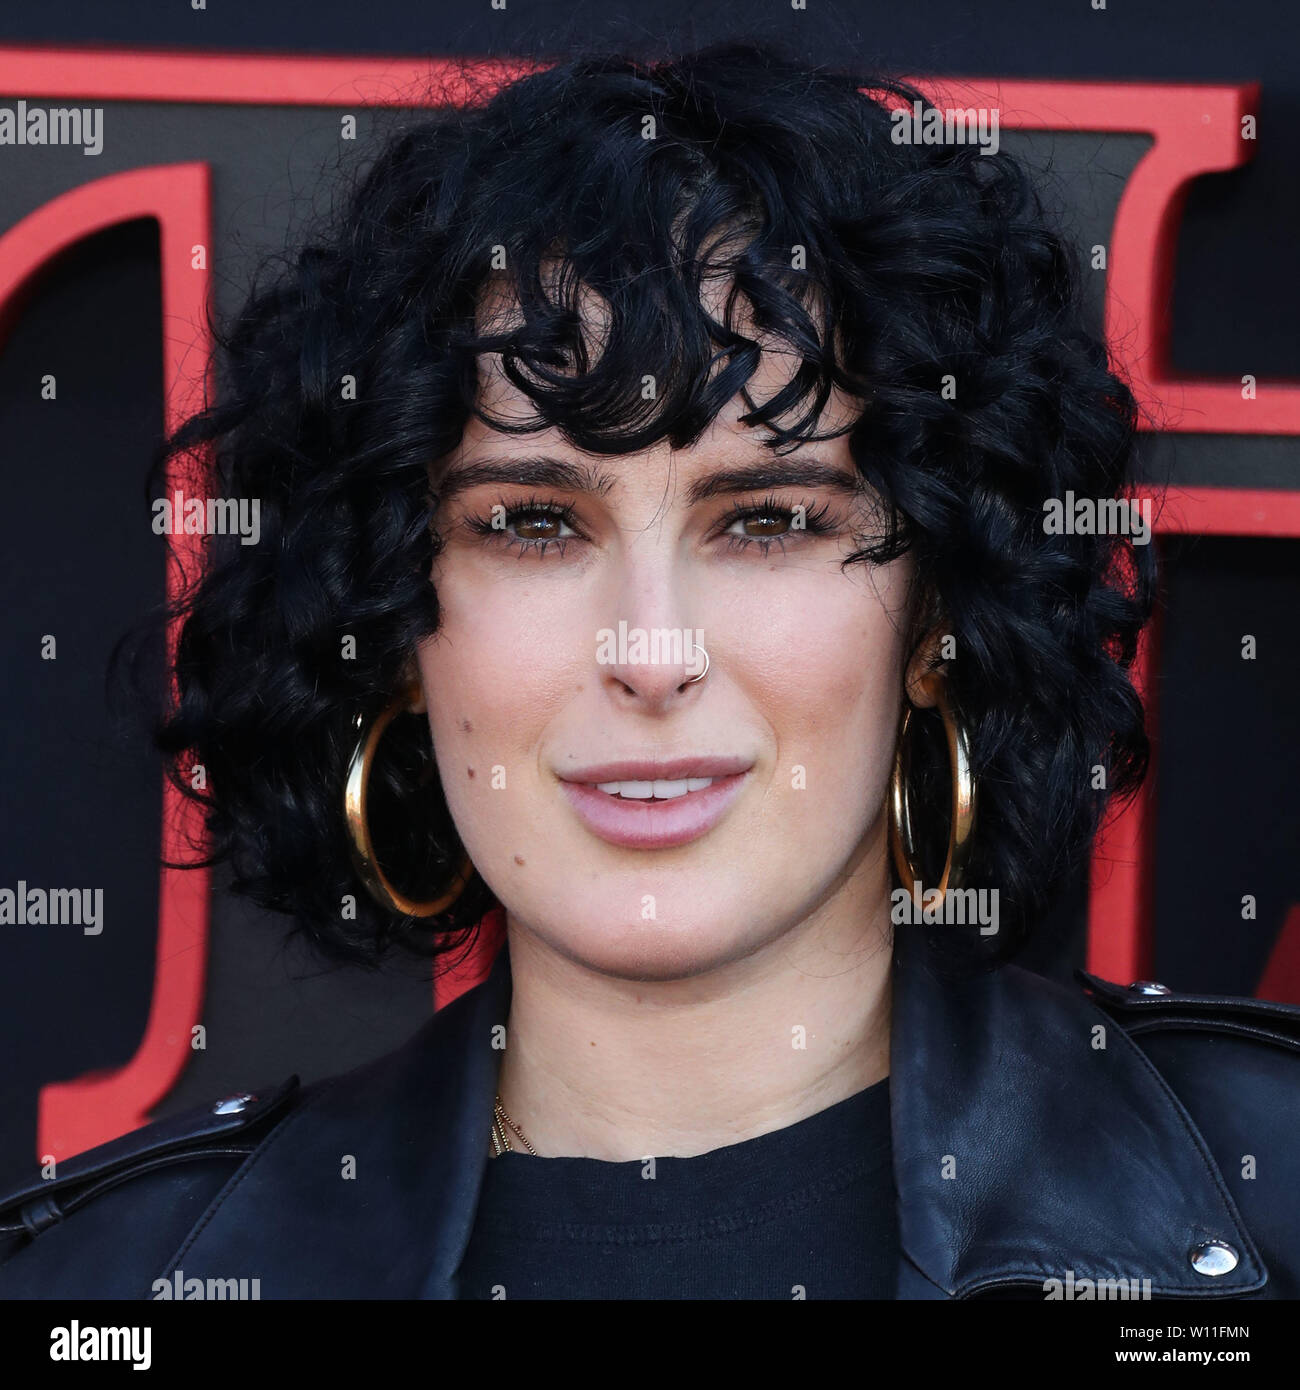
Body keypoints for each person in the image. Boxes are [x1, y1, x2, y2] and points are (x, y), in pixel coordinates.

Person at [2, 41, 1297, 1301]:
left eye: (769, 519)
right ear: (395, 618)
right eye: (534, 522)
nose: (652, 654)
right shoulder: (118, 1286)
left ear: (933, 616)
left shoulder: (1270, 1195)